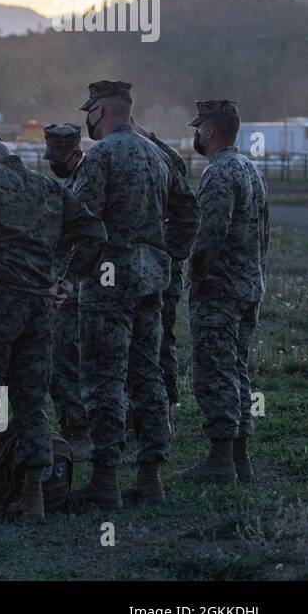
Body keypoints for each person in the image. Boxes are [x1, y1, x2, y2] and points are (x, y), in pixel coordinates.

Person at [0, 140, 105, 525]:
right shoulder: (48, 187)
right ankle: (32, 499)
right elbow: (94, 230)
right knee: (31, 400)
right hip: (39, 306)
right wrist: (69, 279)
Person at [69, 81, 198, 509]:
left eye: (90, 110)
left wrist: (70, 274)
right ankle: (150, 477)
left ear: (102, 110)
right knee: (148, 376)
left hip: (109, 279)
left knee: (104, 378)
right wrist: (170, 251)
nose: (87, 119)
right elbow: (187, 209)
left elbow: (81, 221)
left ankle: (105, 481)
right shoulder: (158, 155)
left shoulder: (100, 156)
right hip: (150, 278)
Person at [177, 99, 269, 485]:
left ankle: (219, 460)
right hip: (248, 285)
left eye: (199, 129)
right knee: (237, 370)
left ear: (210, 131)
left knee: (214, 370)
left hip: (220, 289)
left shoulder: (218, 173)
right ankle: (240, 456)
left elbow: (210, 234)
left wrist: (195, 275)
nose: (196, 135)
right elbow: (263, 234)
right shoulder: (250, 168)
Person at [131, 115, 192, 423]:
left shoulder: (147, 155)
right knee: (159, 338)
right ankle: (159, 412)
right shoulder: (165, 155)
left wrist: (171, 253)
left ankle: (158, 411)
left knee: (152, 339)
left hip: (149, 262)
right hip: (159, 262)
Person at [43, 123, 93, 461]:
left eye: (60, 156)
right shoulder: (74, 181)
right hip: (71, 283)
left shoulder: (87, 182)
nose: (54, 162)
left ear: (77, 151)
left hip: (76, 286)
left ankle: (78, 432)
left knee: (65, 360)